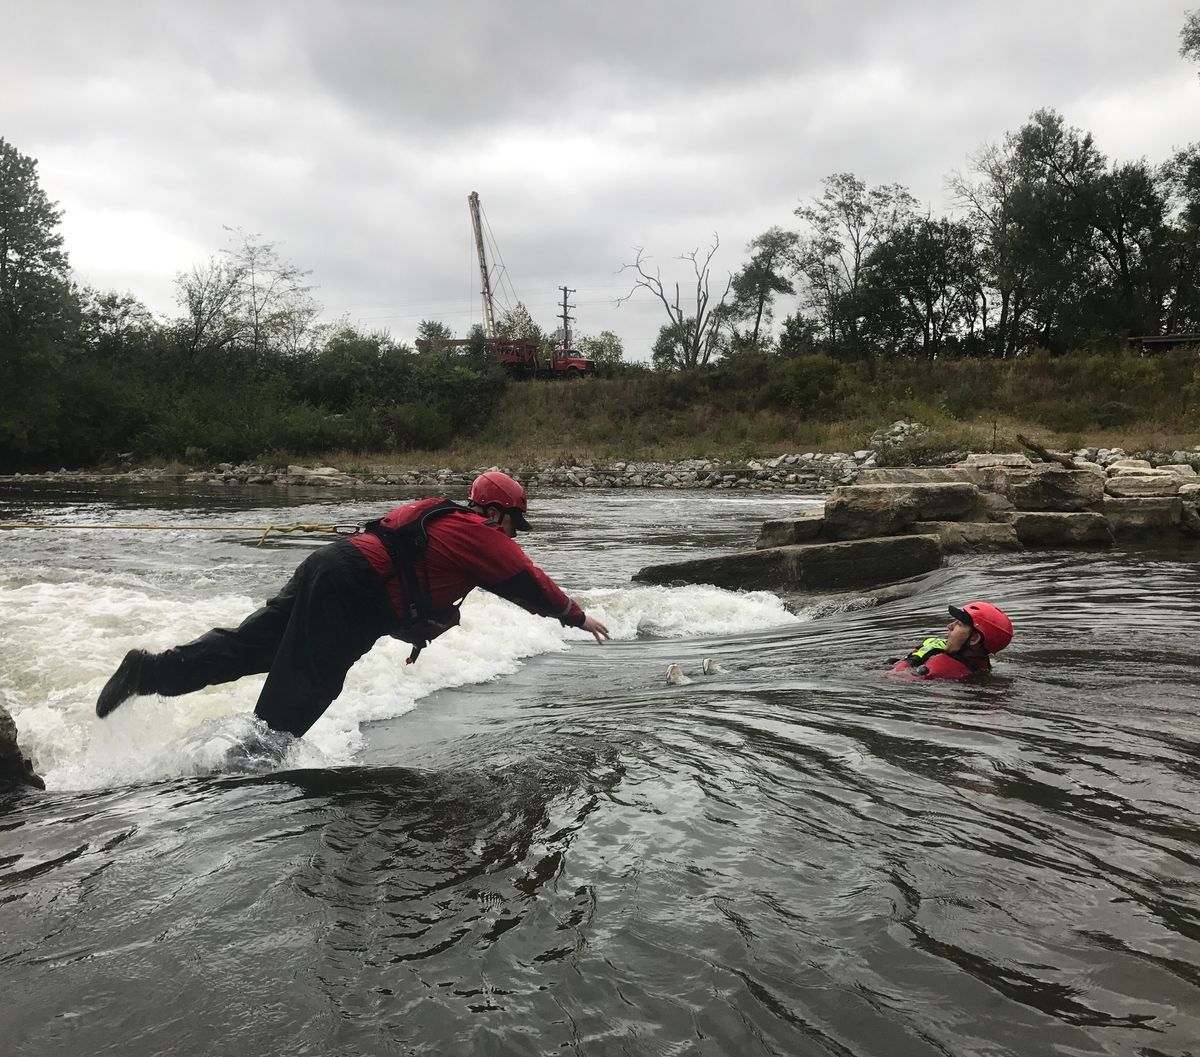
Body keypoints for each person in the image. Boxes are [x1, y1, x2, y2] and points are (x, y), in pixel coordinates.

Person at [95, 472, 609, 737]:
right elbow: (528, 583)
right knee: (311, 680)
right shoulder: (479, 532)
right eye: (515, 523)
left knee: (257, 647)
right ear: (495, 511)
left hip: (332, 567)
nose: (514, 534)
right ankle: (252, 767)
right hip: (352, 589)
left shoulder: (445, 520)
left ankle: (149, 672)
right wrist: (577, 616)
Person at [888, 601, 1012, 680]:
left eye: (959, 624)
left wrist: (910, 661)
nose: (950, 626)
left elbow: (890, 679)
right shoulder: (981, 666)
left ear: (974, 639)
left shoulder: (937, 669)